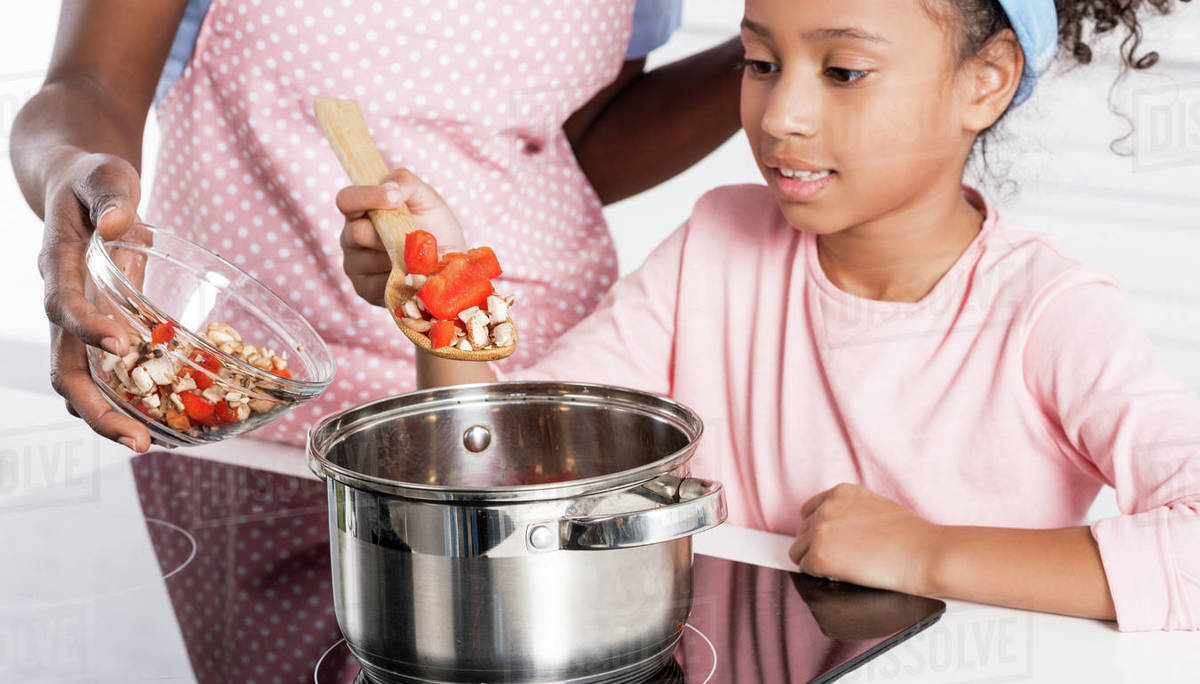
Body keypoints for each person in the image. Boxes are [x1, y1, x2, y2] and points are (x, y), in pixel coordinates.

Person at [338, 0, 1200, 632]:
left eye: (844, 71)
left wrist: (924, 552)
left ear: (985, 83)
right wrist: (439, 296)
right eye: (759, 62)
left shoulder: (1048, 314)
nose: (780, 115)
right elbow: (503, 470)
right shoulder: (717, 245)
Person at [11, 0, 743, 452]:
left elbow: (580, 136)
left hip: (553, 384)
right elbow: (89, 83)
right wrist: (71, 173)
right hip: (259, 415)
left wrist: (779, 49)